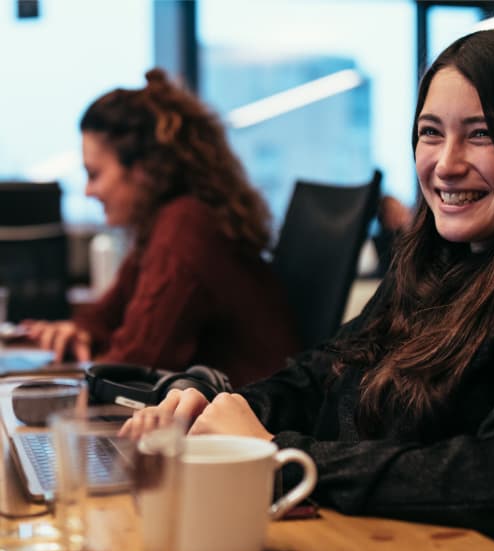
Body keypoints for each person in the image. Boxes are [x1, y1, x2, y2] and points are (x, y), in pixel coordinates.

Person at [122, 27, 494, 551]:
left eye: (482, 134)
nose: (445, 163)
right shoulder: (437, 264)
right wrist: (213, 409)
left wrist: (283, 457)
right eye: (430, 133)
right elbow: (321, 373)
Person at [23, 69, 301, 387]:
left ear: (140, 170)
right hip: (215, 413)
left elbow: (131, 369)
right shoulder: (166, 223)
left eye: (95, 174)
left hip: (245, 421)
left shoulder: (184, 229)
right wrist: (80, 332)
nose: (88, 191)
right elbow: (106, 314)